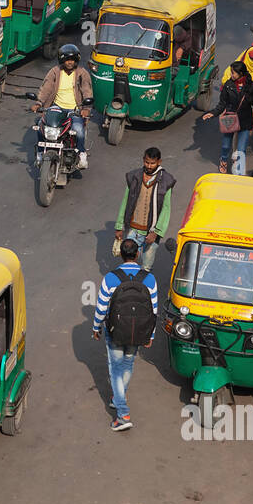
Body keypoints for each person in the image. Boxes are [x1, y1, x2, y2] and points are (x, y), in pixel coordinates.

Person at [91, 238, 160, 433]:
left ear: (121, 255)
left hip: (115, 331)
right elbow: (153, 310)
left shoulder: (111, 278)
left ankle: (123, 414)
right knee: (128, 364)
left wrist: (96, 327)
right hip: (138, 331)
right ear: (137, 254)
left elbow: (101, 307)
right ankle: (118, 398)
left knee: (115, 368)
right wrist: (150, 335)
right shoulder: (149, 279)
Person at [115, 148, 177, 271]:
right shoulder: (135, 177)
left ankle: (143, 288)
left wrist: (155, 232)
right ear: (143, 160)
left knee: (146, 267)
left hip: (151, 233)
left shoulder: (166, 181)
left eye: (152, 163)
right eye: (147, 162)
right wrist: (119, 226)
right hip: (133, 229)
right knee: (128, 264)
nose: (149, 166)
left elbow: (166, 209)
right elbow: (125, 202)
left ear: (159, 162)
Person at [32, 45, 92, 169]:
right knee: (40, 125)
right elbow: (46, 88)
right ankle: (39, 152)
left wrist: (86, 109)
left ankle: (81, 154)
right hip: (56, 107)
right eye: (67, 59)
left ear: (76, 60)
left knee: (78, 130)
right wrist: (39, 103)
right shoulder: (55, 71)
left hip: (74, 110)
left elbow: (87, 90)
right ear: (61, 60)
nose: (70, 62)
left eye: (73, 59)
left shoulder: (82, 73)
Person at [201, 59, 253, 175]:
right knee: (225, 146)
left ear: (241, 74)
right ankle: (223, 160)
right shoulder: (228, 86)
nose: (231, 74)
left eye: (233, 72)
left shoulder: (252, 87)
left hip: (245, 121)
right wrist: (213, 113)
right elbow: (222, 104)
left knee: (241, 150)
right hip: (230, 118)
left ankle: (238, 172)